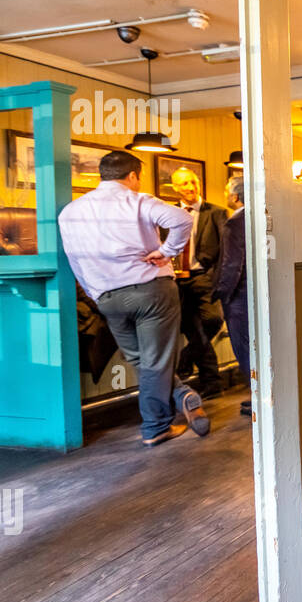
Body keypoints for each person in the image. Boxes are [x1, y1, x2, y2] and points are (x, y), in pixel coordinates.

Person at [58, 150, 211, 447]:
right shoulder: (138, 201)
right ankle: (156, 426)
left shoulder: (71, 211)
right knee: (156, 361)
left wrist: (95, 291)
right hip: (150, 290)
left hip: (107, 296)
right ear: (132, 176)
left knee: (140, 360)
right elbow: (181, 219)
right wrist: (167, 252)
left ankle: (182, 396)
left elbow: (73, 258)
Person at [169, 168, 228, 397]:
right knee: (192, 329)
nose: (191, 187)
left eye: (193, 182)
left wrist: (216, 277)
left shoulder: (216, 213)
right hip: (177, 280)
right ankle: (212, 383)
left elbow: (226, 250)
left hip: (204, 276)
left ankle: (186, 358)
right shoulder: (168, 214)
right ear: (175, 187)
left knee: (213, 319)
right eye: (184, 184)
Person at [213, 175, 251, 418]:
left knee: (244, 347)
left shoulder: (235, 223)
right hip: (263, 292)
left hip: (240, 295)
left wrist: (221, 293)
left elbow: (231, 266)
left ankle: (258, 396)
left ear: (235, 196)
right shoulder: (266, 215)